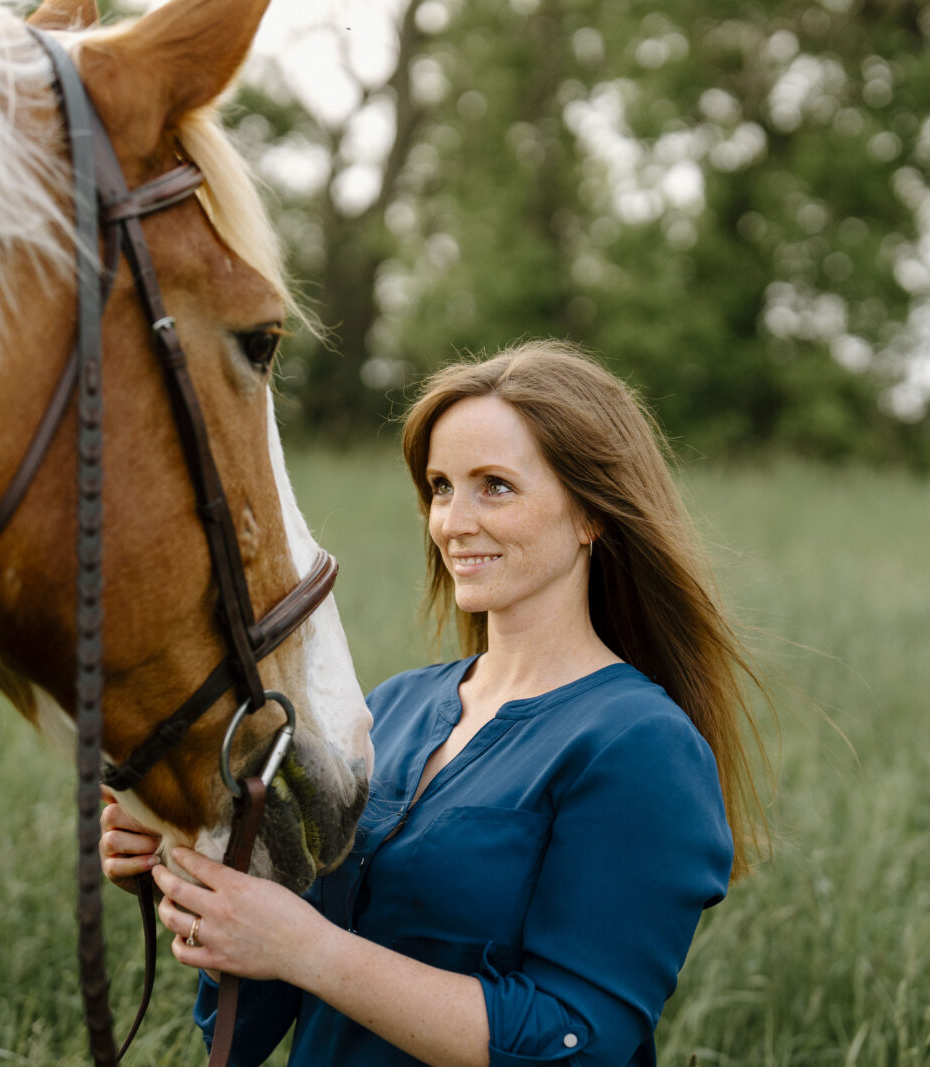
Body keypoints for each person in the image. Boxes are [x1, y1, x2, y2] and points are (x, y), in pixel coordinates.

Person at [99, 340, 772, 1066]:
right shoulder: (391, 710)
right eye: (442, 486)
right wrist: (191, 856)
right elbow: (256, 1011)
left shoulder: (639, 745)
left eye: (496, 487)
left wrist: (306, 947)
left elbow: (576, 1041)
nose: (453, 520)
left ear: (591, 515)